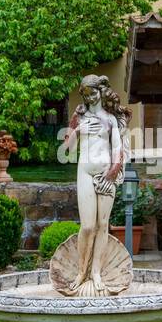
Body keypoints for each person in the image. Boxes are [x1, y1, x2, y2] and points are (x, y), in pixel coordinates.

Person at [59, 74, 129, 296]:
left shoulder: (110, 119)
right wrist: (78, 131)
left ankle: (96, 272)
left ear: (101, 91)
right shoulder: (79, 118)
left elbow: (119, 151)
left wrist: (111, 175)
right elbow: (66, 149)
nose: (89, 99)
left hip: (105, 175)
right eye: (86, 95)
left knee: (102, 224)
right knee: (87, 226)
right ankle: (81, 272)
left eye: (93, 94)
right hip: (85, 172)